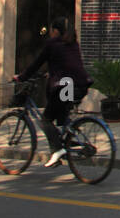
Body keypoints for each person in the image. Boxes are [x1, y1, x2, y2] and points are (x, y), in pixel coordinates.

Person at [16, 16, 92, 167]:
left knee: (45, 120)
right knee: (62, 118)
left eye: (51, 30)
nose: (50, 33)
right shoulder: (73, 43)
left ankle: (57, 150)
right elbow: (67, 64)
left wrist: (21, 77)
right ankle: (71, 141)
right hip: (79, 85)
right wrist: (51, 73)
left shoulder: (52, 44)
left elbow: (37, 63)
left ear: (55, 31)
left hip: (64, 86)